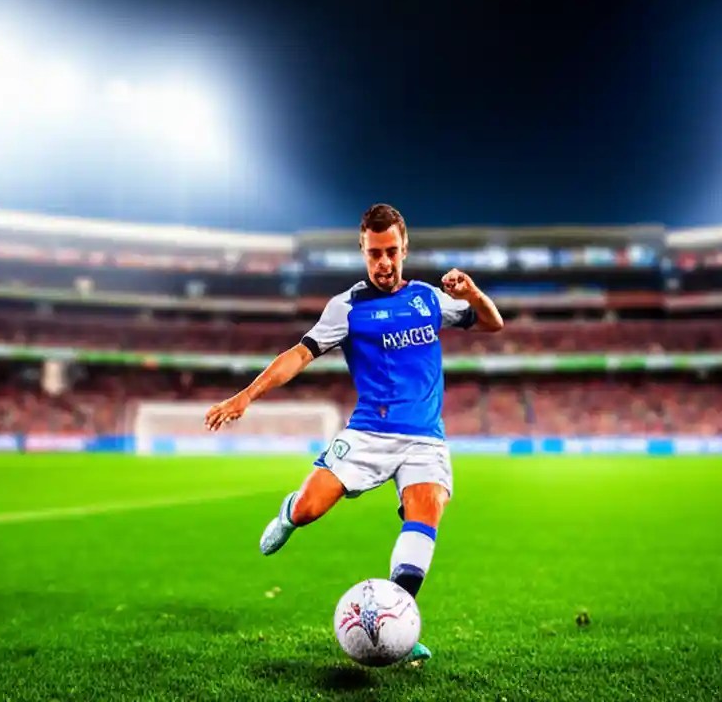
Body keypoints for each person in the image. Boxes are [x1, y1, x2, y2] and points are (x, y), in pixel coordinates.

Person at [204, 203, 503, 663]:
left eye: (391, 252)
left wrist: (474, 292)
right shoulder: (346, 307)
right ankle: (287, 515)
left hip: (424, 437)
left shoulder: (427, 298)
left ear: (405, 249)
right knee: (308, 509)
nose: (383, 263)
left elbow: (491, 322)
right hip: (368, 434)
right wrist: (247, 395)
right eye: (374, 254)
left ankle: (398, 623)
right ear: (363, 252)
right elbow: (299, 355)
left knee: (426, 512)